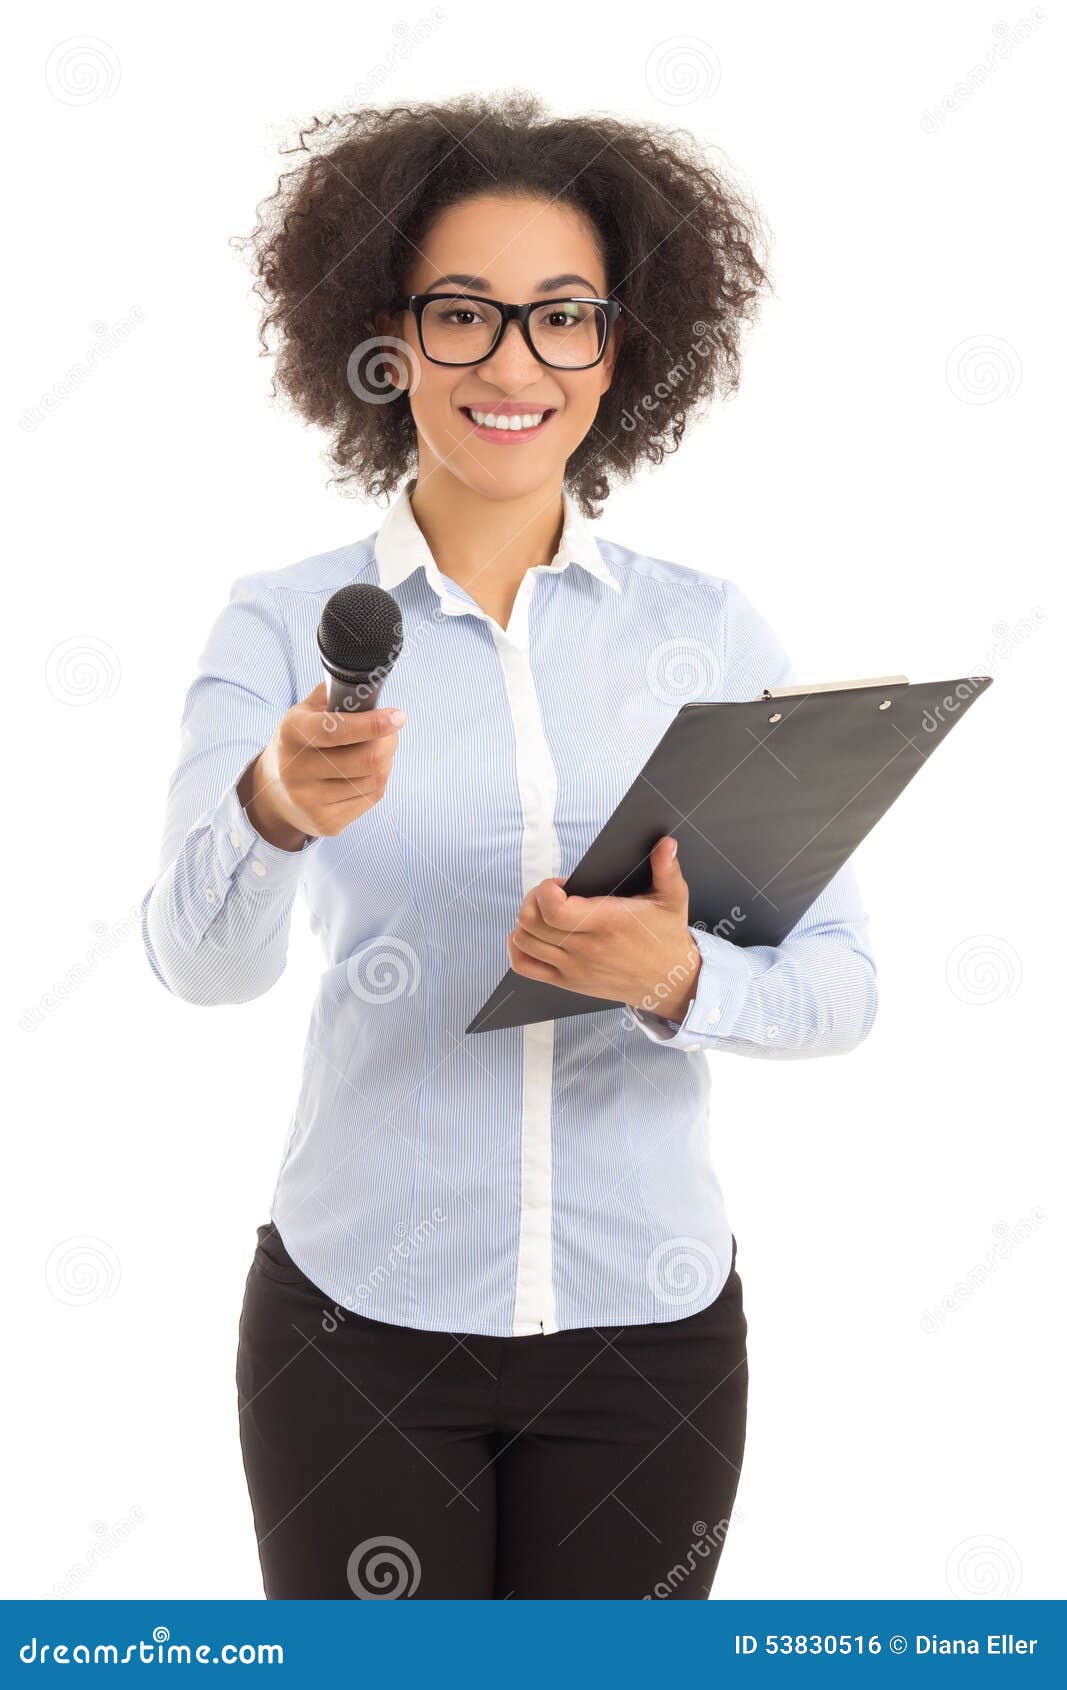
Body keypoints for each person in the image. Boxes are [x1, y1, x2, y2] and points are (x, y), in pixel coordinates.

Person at [141, 92, 877, 1600]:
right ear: (386, 334)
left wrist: (681, 977)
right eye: (463, 314)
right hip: (359, 1330)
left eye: (564, 318)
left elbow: (847, 983)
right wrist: (275, 808)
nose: (512, 365)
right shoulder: (284, 622)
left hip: (648, 1336)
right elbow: (197, 965)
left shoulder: (706, 628)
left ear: (623, 346)